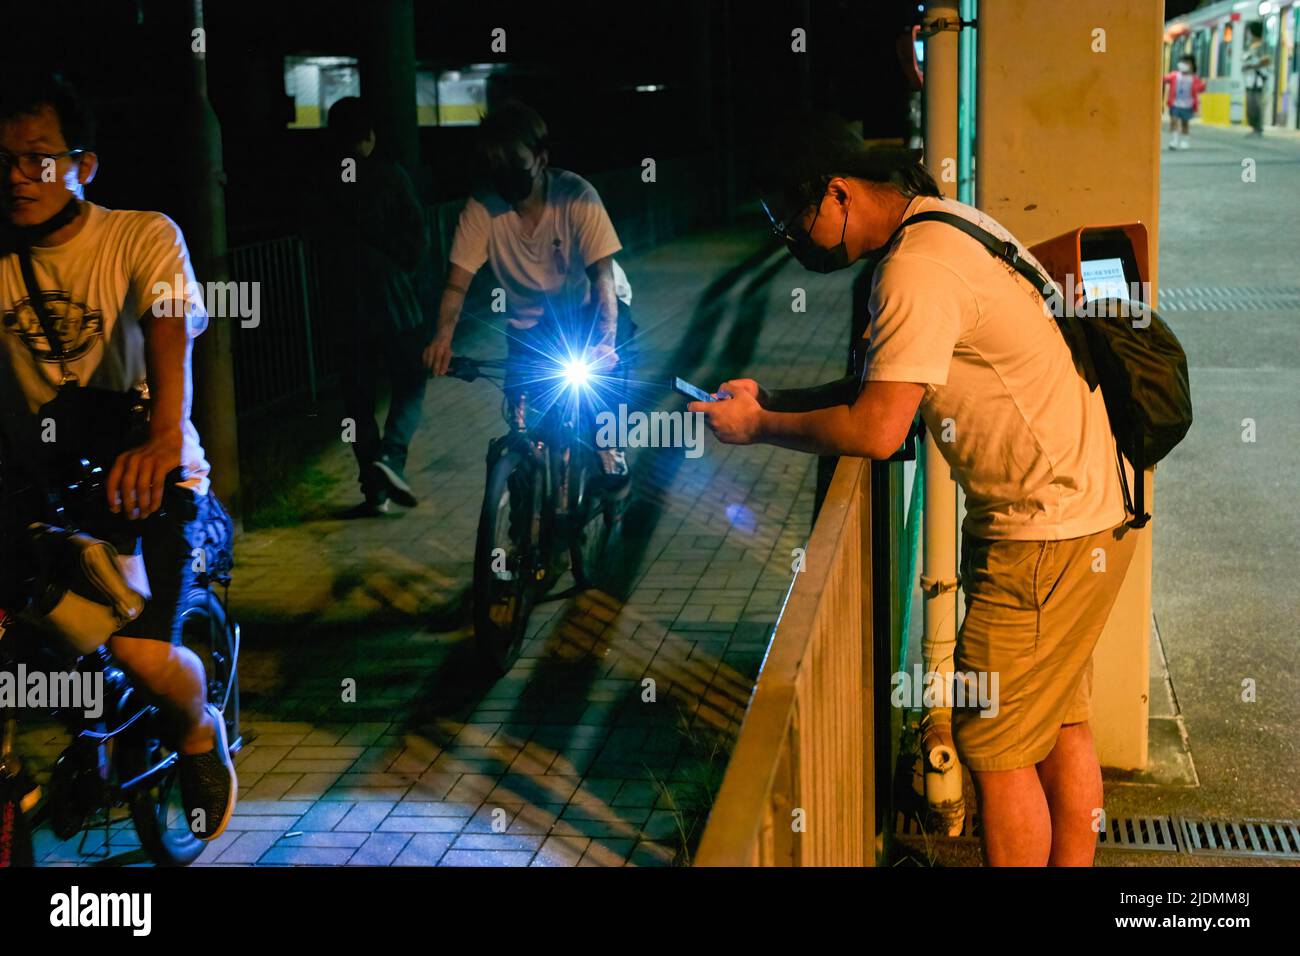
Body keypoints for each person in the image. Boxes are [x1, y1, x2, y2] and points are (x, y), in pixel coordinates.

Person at [695, 112, 1136, 867]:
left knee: (994, 748)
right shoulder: (944, 225)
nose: (792, 242)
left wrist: (759, 428)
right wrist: (773, 398)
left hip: (1042, 534)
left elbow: (877, 429)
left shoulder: (914, 271)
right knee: (1061, 724)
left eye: (792, 222)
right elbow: (883, 386)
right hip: (1089, 512)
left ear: (836, 196)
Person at [0, 73, 235, 839]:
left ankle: (200, 732)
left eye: (38, 157)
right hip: (42, 487)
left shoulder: (141, 235)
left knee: (136, 651)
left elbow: (170, 321)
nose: (16, 176)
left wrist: (165, 431)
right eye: (1, 158)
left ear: (83, 165)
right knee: (29, 652)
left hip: (147, 478)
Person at [421, 101, 634, 480]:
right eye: (493, 162)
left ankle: (610, 447)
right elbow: (457, 283)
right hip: (531, 322)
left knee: (601, 387)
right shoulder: (482, 208)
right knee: (521, 419)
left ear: (540, 158)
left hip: (592, 308)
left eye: (513, 160)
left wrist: (604, 342)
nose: (503, 171)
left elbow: (601, 276)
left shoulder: (576, 196)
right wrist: (442, 338)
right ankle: (522, 503)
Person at [311, 97, 429, 516]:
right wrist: (404, 270)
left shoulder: (323, 180)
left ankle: (373, 489)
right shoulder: (389, 174)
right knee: (412, 377)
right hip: (391, 298)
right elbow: (416, 231)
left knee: (357, 398)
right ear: (370, 135)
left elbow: (316, 241)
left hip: (342, 302)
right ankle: (391, 457)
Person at [1163, 54, 1206, 150]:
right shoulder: (1175, 75)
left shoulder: (1194, 79)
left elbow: (1201, 88)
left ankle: (1185, 140)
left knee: (1185, 123)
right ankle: (1174, 140)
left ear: (1192, 65)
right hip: (1175, 103)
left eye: (1186, 63)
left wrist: (1204, 84)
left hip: (1188, 104)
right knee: (1174, 121)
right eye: (1182, 62)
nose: (1183, 65)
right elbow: (1164, 79)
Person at [1242, 26, 1272, 136]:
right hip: (1249, 81)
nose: (1248, 35)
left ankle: (1258, 128)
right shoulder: (1250, 47)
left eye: (1249, 32)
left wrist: (1252, 65)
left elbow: (1267, 60)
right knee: (1250, 106)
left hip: (1258, 81)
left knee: (1256, 105)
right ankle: (1254, 127)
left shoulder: (1262, 46)